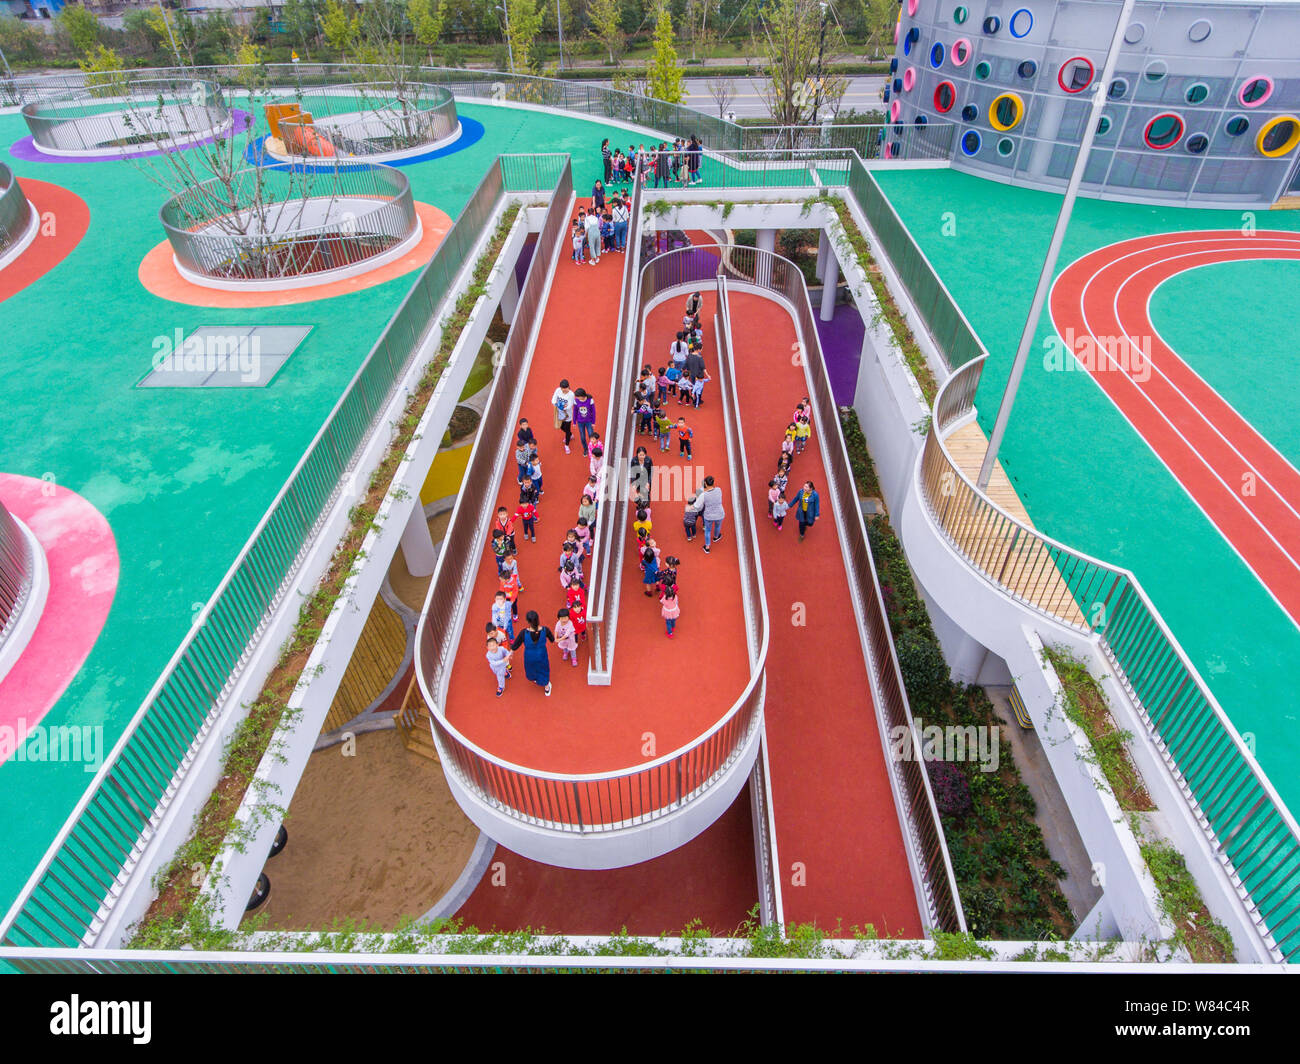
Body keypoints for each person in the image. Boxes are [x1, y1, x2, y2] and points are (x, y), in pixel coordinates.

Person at [511, 610, 555, 695]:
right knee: (544, 669)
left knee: (531, 668)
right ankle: (546, 687)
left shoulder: (523, 633)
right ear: (538, 619)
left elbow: (516, 644)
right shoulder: (545, 630)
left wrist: (511, 652)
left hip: (529, 656)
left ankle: (535, 678)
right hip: (541, 655)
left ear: (528, 621)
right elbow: (552, 640)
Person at [695, 474, 725, 553]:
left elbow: (697, 506)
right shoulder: (719, 490)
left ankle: (707, 547)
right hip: (720, 513)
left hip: (709, 516)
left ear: (705, 484)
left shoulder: (703, 495)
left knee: (707, 530)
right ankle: (716, 537)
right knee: (718, 526)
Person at [571, 387, 597, 456]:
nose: (577, 398)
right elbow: (575, 411)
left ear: (582, 396)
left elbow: (593, 412)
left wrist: (593, 422)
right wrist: (574, 422)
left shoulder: (590, 400)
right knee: (582, 437)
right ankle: (586, 449)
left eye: (578, 396)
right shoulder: (576, 401)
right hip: (580, 422)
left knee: (591, 436)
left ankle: (594, 449)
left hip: (589, 422)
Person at [551, 379, 575, 452]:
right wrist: (557, 404)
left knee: (567, 430)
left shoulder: (571, 394)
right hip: (559, 413)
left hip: (567, 415)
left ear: (568, 387)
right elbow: (553, 399)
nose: (565, 390)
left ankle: (567, 445)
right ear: (561, 388)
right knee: (561, 426)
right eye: (563, 389)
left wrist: (563, 407)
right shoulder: (558, 390)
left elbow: (570, 405)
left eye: (566, 389)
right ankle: (570, 434)